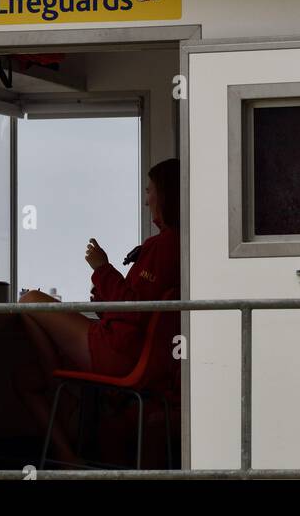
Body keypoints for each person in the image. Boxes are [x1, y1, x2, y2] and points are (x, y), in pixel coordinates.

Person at [16, 158, 180, 463]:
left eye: (150, 190)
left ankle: (56, 389)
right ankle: (55, 384)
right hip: (137, 351)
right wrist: (104, 290)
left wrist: (102, 269)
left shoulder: (165, 246)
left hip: (119, 350)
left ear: (166, 195)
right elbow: (137, 303)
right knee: (26, 379)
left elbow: (132, 311)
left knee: (29, 301)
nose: (147, 199)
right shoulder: (179, 245)